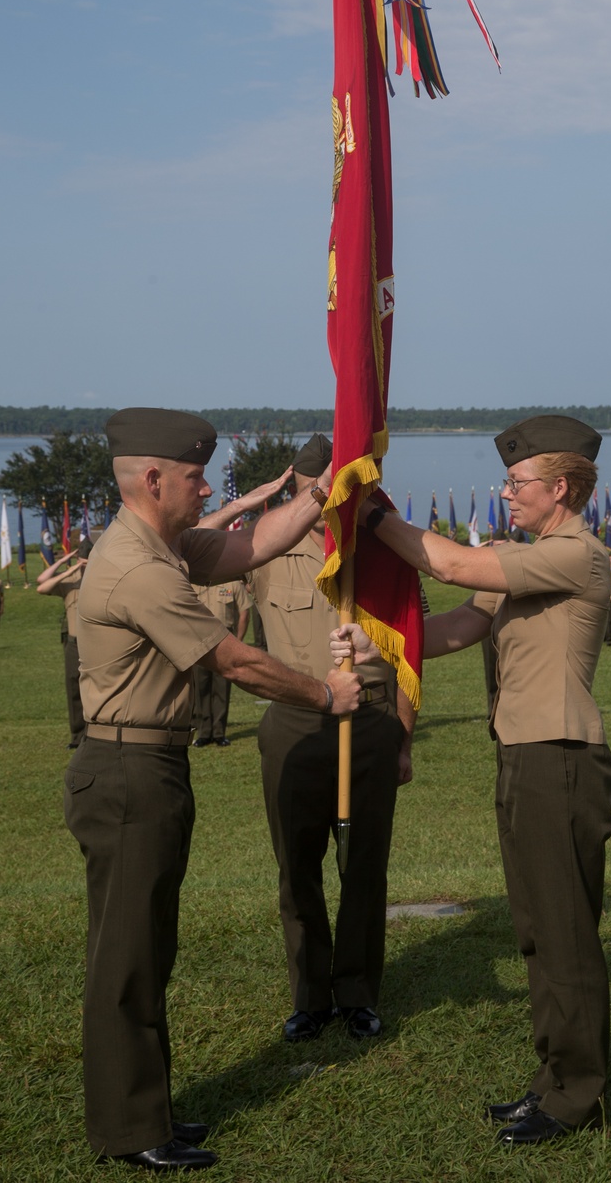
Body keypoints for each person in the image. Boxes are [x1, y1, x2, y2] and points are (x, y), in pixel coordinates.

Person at [64, 408, 361, 1174]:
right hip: (128, 770)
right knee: (128, 954)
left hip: (149, 766)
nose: (207, 489)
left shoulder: (158, 542)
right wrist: (326, 696)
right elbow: (233, 660)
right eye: (196, 478)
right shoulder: (138, 566)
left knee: (148, 947)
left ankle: (148, 1109)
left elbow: (253, 542)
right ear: (153, 479)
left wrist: (322, 492)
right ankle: (130, 1129)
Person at [334, 414, 611, 1149]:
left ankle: (577, 1095)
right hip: (523, 754)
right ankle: (551, 1080)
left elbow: (451, 567)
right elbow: (461, 624)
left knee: (565, 932)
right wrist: (380, 643)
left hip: (561, 756)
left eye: (517, 482)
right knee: (535, 930)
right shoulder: (523, 556)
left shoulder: (577, 554)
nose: (506, 492)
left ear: (559, 488)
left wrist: (373, 514)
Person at [249, 434, 415, 1043]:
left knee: (364, 867)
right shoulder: (265, 549)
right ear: (298, 488)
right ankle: (310, 995)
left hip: (371, 722)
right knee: (297, 869)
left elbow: (408, 654)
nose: (327, 506)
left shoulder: (381, 547)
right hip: (295, 723)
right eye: (316, 492)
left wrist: (403, 739)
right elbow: (192, 563)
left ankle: (358, 991)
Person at [36, 545, 91, 749]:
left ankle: (96, 734)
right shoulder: (68, 581)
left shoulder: (101, 577)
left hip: (95, 643)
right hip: (73, 643)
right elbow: (42, 584)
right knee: (73, 685)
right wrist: (65, 564)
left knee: (96, 688)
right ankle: (77, 736)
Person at [190, 576, 249, 747]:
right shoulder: (193, 584)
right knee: (200, 688)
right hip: (199, 642)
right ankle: (203, 732)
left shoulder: (232, 582)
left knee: (222, 688)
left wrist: (238, 642)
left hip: (225, 641)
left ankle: (218, 733)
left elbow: (244, 611)